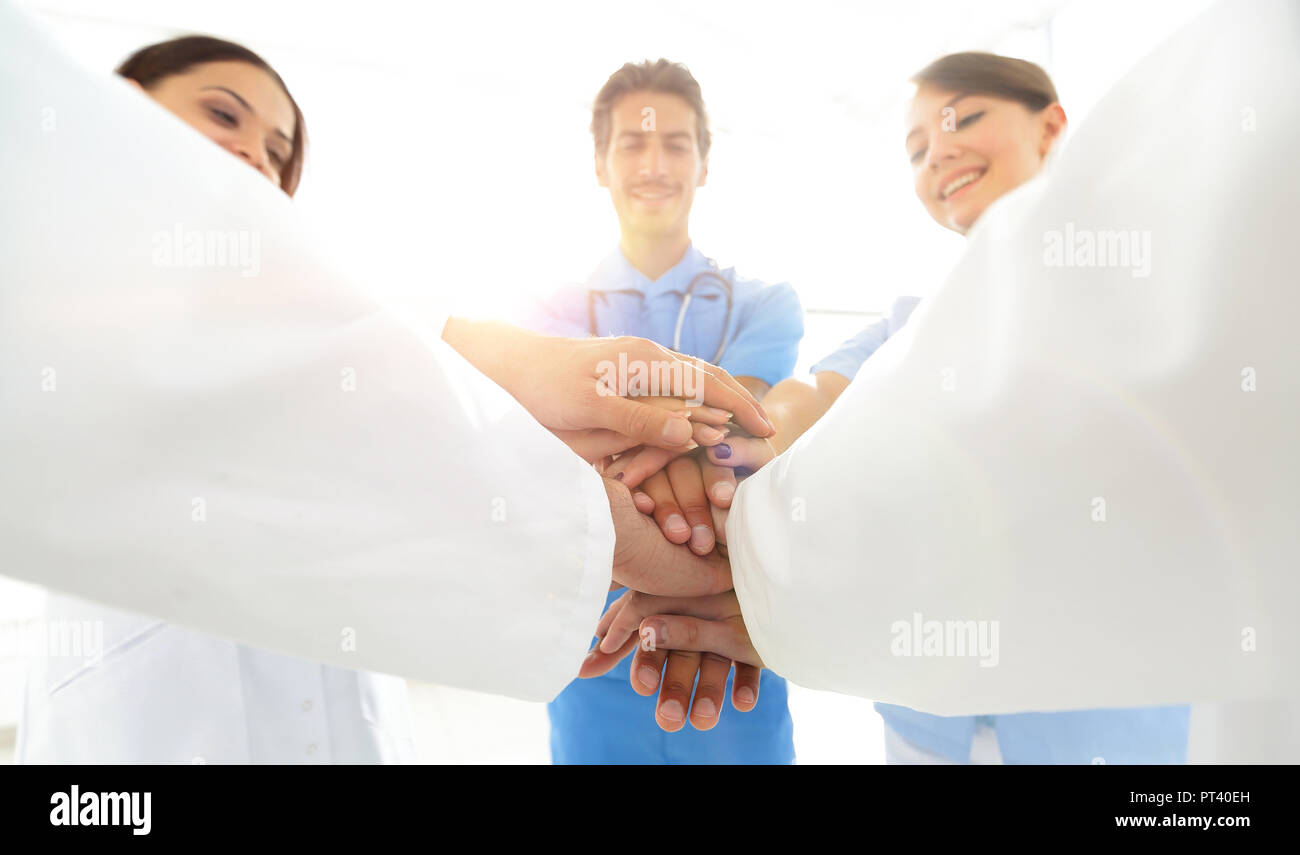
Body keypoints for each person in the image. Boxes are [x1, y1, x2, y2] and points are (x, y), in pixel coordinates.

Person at [583, 0, 1300, 762]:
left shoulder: (1154, 288)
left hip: (1099, 726)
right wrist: (714, 451)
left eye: (962, 121)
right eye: (917, 149)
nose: (938, 156)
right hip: (927, 728)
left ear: (1051, 127)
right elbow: (807, 400)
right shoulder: (909, 325)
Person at [0, 1, 767, 713]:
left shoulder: (759, 299)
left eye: (278, 153)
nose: (252, 157)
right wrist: (662, 539)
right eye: (221, 113)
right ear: (116, 104)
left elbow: (754, 433)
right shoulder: (50, 230)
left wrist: (665, 507)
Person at [522, 59, 801, 762]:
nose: (654, 163)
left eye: (676, 143)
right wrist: (700, 431)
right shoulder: (544, 313)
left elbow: (733, 436)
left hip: (736, 663)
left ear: (704, 162)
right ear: (599, 162)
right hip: (596, 655)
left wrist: (632, 434)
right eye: (633, 143)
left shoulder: (766, 305)